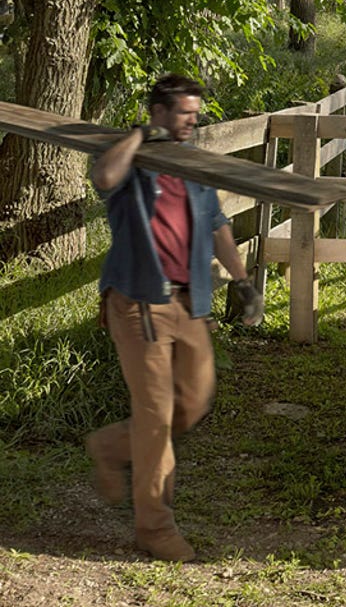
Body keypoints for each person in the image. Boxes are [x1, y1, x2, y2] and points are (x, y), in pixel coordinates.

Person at [85, 74, 264, 562]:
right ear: (160, 111)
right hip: (139, 302)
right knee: (156, 418)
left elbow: (217, 225)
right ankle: (155, 529)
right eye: (184, 113)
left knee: (193, 403)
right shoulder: (134, 164)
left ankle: (109, 446)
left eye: (195, 113)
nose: (193, 121)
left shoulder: (191, 165)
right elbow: (103, 178)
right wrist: (142, 136)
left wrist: (242, 281)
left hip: (190, 304)